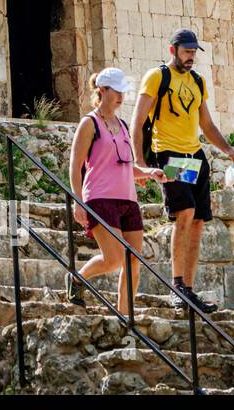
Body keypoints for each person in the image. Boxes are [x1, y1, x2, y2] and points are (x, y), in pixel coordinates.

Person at [130, 29, 234, 312]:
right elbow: (137, 122)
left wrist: (228, 150)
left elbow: (206, 124)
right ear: (173, 50)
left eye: (194, 52)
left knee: (198, 222)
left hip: (195, 156)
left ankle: (188, 289)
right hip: (169, 154)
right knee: (185, 212)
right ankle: (176, 286)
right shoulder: (157, 77)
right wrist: (140, 165)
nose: (191, 57)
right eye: (187, 51)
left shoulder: (197, 81)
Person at [67, 68, 166, 314]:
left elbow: (123, 166)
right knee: (114, 259)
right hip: (100, 198)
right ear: (102, 91)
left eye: (123, 91)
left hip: (128, 200)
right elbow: (75, 164)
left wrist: (148, 172)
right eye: (117, 91)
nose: (122, 96)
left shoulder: (122, 126)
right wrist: (78, 202)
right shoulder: (89, 123)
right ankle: (78, 277)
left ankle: (125, 316)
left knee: (134, 260)